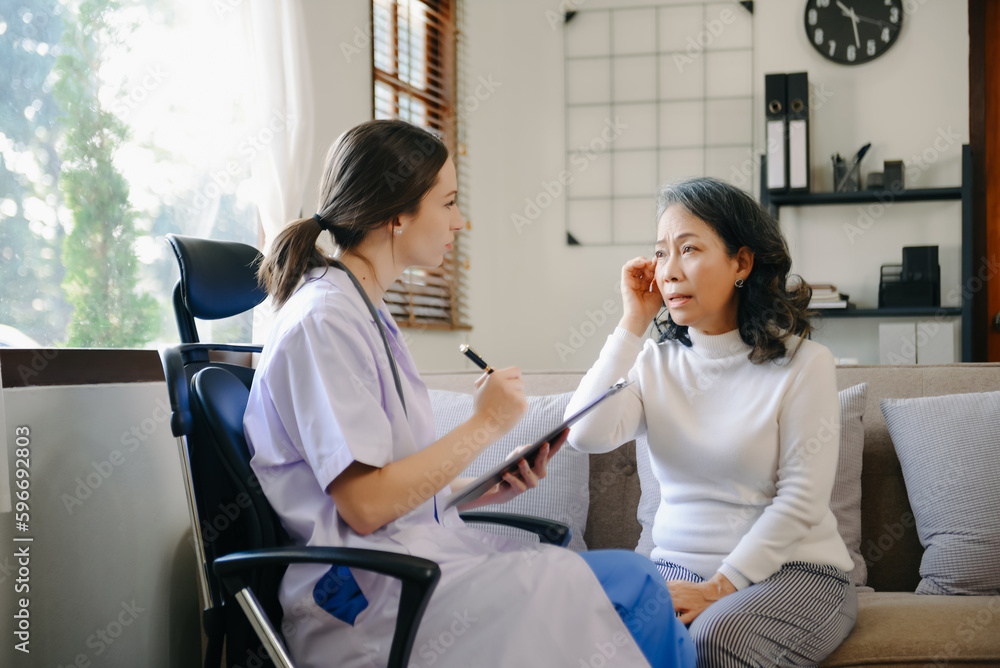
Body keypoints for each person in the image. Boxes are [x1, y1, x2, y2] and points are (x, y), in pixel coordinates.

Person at [243, 119, 695, 668]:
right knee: (635, 586)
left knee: (634, 594)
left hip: (410, 567)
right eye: (449, 202)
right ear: (397, 214)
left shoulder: (363, 311)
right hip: (371, 603)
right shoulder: (324, 322)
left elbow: (390, 487)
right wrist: (485, 423)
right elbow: (364, 506)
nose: (460, 220)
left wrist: (482, 488)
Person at [565, 177, 858, 668]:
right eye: (661, 254)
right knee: (586, 627)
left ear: (741, 262)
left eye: (689, 249)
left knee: (714, 638)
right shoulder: (655, 365)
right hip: (675, 567)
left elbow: (802, 500)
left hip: (795, 571)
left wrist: (720, 588)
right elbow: (584, 433)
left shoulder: (806, 364)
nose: (670, 271)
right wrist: (631, 323)